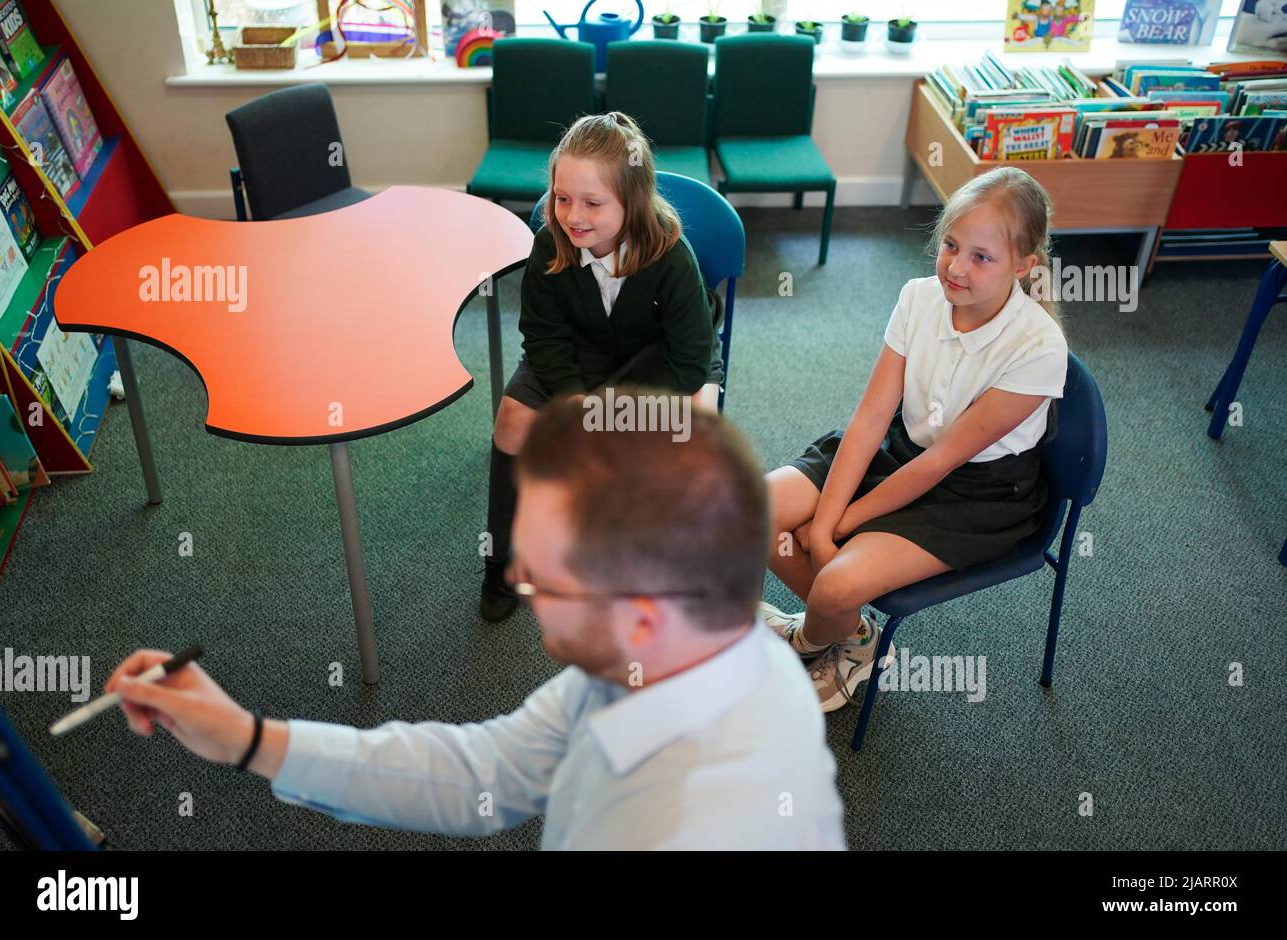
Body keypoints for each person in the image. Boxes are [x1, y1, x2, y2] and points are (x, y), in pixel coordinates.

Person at [106, 397, 845, 850]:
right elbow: (485, 773)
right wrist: (247, 737)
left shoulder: (696, 822)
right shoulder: (680, 650)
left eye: (546, 575)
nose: (520, 582)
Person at [761, 166, 1069, 713]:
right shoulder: (918, 297)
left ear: (1025, 267)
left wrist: (838, 526)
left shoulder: (1040, 348)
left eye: (982, 257)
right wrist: (826, 523)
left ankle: (829, 638)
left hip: (976, 493)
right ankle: (847, 631)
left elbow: (942, 463)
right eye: (951, 245)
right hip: (900, 449)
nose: (956, 267)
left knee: (832, 582)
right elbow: (871, 416)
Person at [480, 111, 724, 621]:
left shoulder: (672, 256)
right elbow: (543, 336)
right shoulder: (551, 242)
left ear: (632, 202)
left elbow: (688, 363)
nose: (573, 215)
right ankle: (502, 559)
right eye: (562, 198)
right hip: (577, 353)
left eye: (593, 202)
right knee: (512, 420)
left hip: (658, 361)